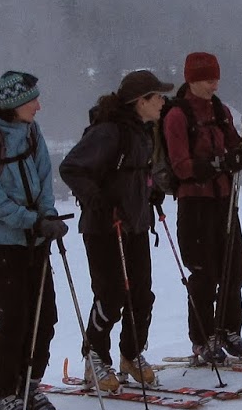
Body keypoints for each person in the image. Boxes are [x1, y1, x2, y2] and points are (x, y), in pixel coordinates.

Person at [59, 69, 174, 391]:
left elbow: (133, 174)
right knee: (110, 296)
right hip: (104, 228)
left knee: (141, 295)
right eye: (158, 96)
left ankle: (130, 355)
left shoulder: (142, 131)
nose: (163, 102)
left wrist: (149, 189)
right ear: (141, 101)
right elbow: (71, 168)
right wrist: (98, 199)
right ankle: (94, 358)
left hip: (135, 224)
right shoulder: (109, 132)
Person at [0, 71, 67, 410]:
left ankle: (29, 385)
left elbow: (44, 176)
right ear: (14, 103)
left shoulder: (31, 131)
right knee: (14, 321)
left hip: (34, 242)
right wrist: (32, 221)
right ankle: (2, 390)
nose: (38, 106)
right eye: (31, 100)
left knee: (44, 317)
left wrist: (47, 216)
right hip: (0, 245)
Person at [162, 52, 242, 363]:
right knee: (203, 274)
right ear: (192, 80)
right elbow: (181, 166)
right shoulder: (177, 116)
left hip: (224, 200)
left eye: (216, 78)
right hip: (194, 202)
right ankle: (203, 338)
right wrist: (219, 163)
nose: (214, 85)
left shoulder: (220, 110)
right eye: (209, 79)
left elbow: (234, 149)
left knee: (233, 269)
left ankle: (229, 330)